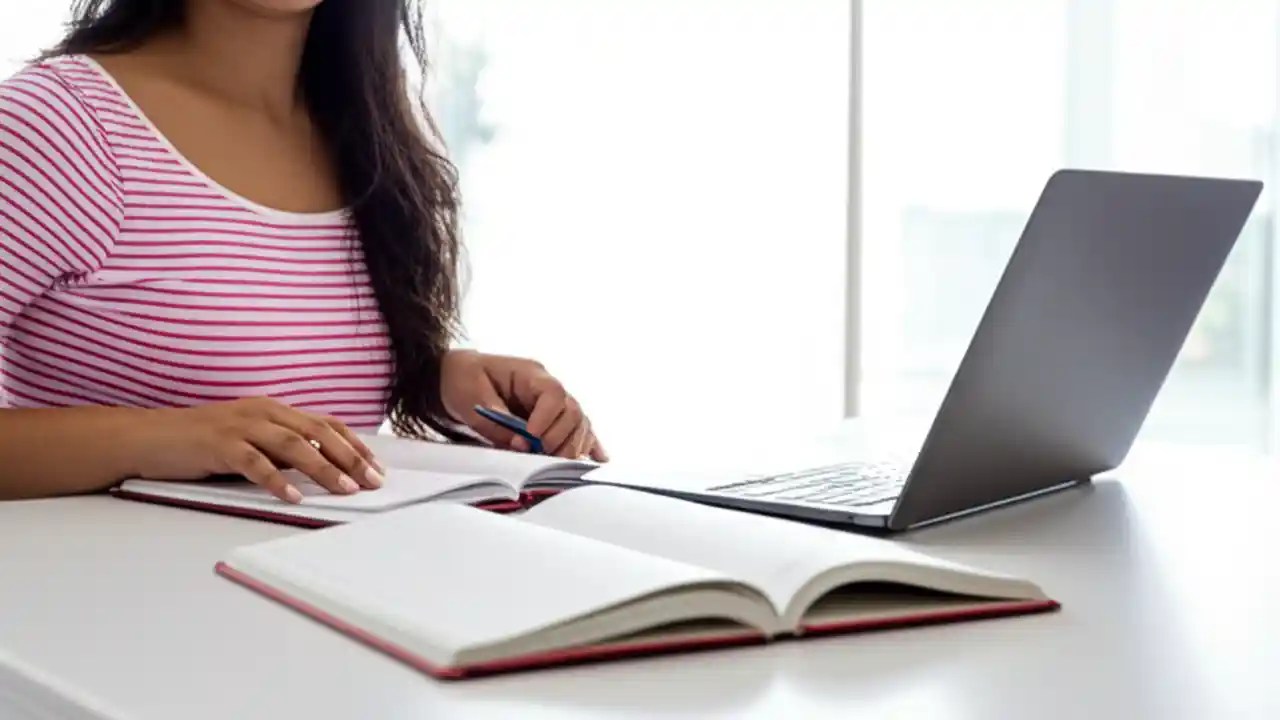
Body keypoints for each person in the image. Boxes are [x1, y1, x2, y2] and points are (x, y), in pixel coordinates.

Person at [0, 0, 606, 504]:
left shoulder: (371, 132)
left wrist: (442, 382)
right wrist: (166, 439)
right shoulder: (59, 125)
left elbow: (300, 375)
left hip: (324, 615)